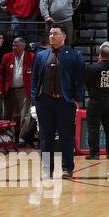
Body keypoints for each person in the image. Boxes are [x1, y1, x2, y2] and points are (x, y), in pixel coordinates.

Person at [30, 26, 85, 180]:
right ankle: (47, 169)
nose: (52, 36)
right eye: (50, 34)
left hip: (65, 102)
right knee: (45, 137)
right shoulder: (41, 55)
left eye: (55, 33)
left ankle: (67, 168)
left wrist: (77, 99)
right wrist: (35, 98)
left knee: (66, 136)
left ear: (64, 36)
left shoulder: (75, 55)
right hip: (44, 101)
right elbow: (35, 78)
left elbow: (79, 80)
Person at [83, 42, 109, 163]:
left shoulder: (91, 68)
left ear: (100, 55)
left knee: (93, 128)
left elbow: (87, 84)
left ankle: (94, 153)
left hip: (95, 101)